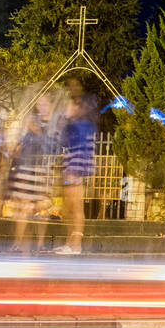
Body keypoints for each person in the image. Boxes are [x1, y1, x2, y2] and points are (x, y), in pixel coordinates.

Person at [8, 96, 56, 253]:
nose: (41, 106)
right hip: (26, 170)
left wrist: (39, 132)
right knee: (23, 208)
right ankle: (18, 243)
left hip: (41, 170)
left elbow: (52, 146)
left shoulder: (52, 124)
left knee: (42, 208)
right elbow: (22, 146)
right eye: (39, 104)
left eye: (44, 103)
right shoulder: (31, 125)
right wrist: (15, 150)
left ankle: (40, 244)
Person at [54, 78, 96, 255]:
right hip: (70, 165)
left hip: (75, 167)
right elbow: (62, 141)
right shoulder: (73, 124)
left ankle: (76, 245)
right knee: (67, 208)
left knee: (75, 207)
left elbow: (86, 149)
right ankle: (69, 242)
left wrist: (76, 171)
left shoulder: (84, 125)